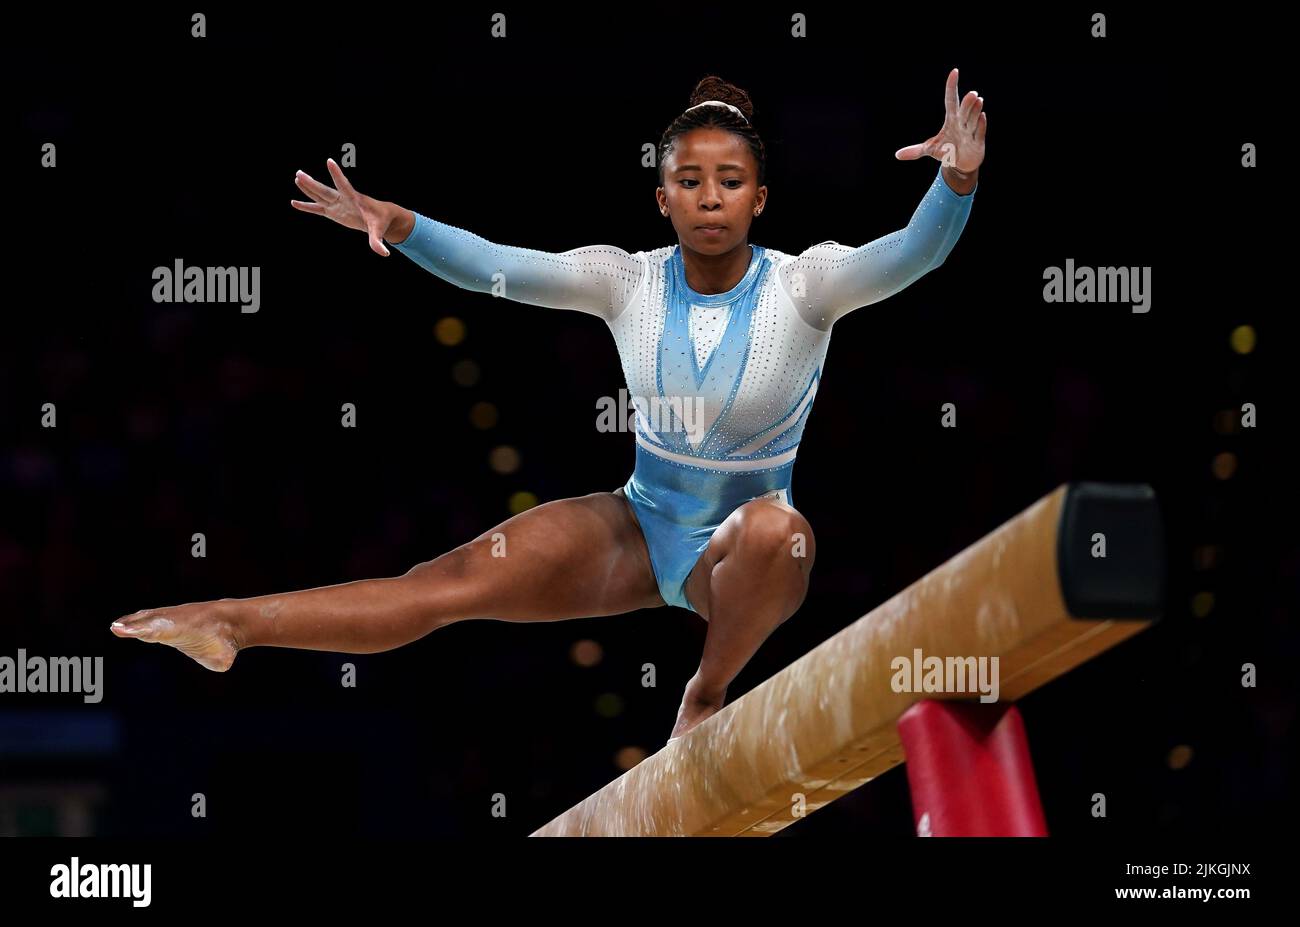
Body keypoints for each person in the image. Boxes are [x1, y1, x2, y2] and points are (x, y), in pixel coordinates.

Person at [112, 71, 985, 743]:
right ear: (662, 196)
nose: (709, 196)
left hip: (757, 553)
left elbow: (912, 255)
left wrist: (957, 179)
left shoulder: (807, 282)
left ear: (760, 195)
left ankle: (706, 691)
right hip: (642, 527)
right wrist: (400, 221)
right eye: (689, 179)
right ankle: (232, 621)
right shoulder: (625, 278)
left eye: (730, 180)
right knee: (445, 584)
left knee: (767, 530)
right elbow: (501, 266)